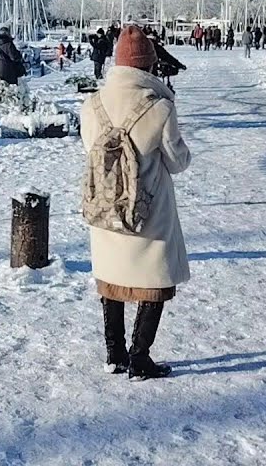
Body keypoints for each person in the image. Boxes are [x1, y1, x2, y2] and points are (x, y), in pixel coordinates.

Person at [80, 25, 191, 381]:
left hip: (106, 206)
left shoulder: (91, 104)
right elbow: (177, 161)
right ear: (149, 66)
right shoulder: (159, 107)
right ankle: (139, 356)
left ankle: (114, 353)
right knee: (154, 277)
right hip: (148, 209)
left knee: (112, 275)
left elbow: (90, 151)